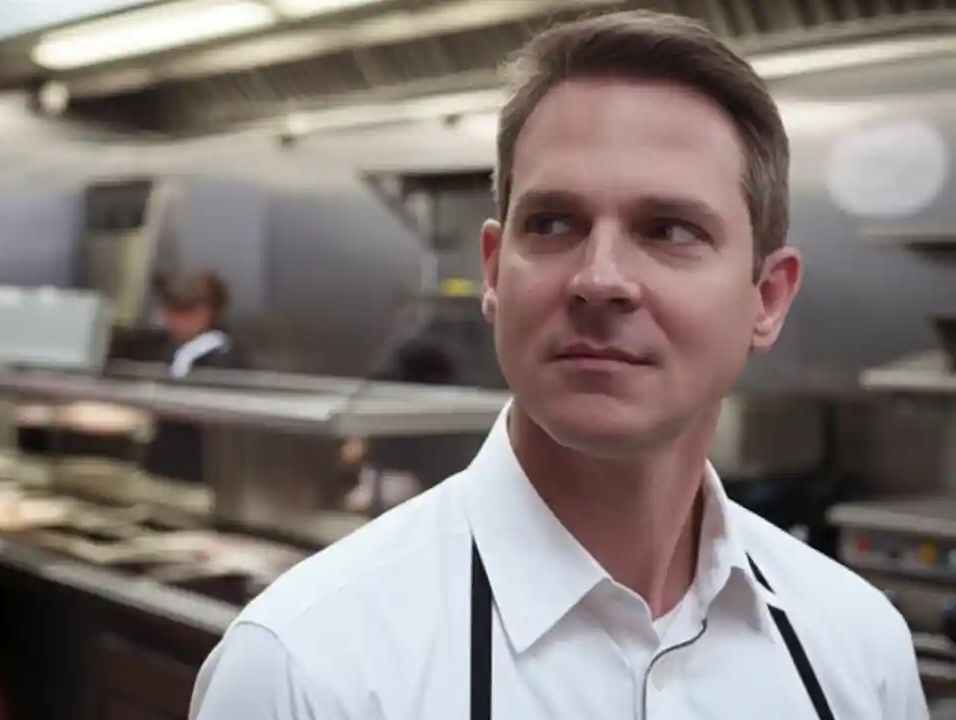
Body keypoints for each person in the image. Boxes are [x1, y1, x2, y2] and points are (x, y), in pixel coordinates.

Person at [191, 11, 924, 719]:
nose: (599, 278)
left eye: (669, 230)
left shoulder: (858, 650)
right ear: (493, 271)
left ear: (767, 297)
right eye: (552, 224)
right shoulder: (304, 670)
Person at [141, 270, 247, 484]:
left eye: (182, 311)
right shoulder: (173, 349)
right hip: (165, 467)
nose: (172, 320)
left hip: (200, 473)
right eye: (169, 310)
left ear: (207, 312)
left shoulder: (221, 356)